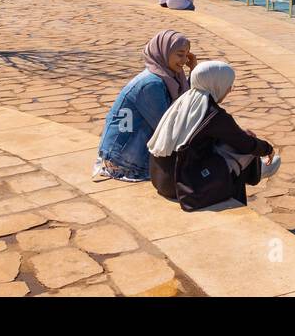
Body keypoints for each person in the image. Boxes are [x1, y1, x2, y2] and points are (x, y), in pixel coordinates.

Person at [149, 60, 280, 210]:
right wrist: (268, 149)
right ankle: (257, 172)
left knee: (236, 139)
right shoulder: (213, 114)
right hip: (184, 186)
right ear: (217, 83)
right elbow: (245, 144)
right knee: (246, 148)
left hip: (162, 180)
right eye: (229, 84)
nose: (229, 89)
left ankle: (256, 172)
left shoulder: (184, 100)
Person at [94, 30, 193, 181]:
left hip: (128, 150)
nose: (185, 60)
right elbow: (166, 126)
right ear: (163, 52)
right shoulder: (151, 84)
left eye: (187, 55)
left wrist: (194, 69)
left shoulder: (169, 77)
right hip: (123, 159)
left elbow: (184, 102)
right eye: (180, 54)